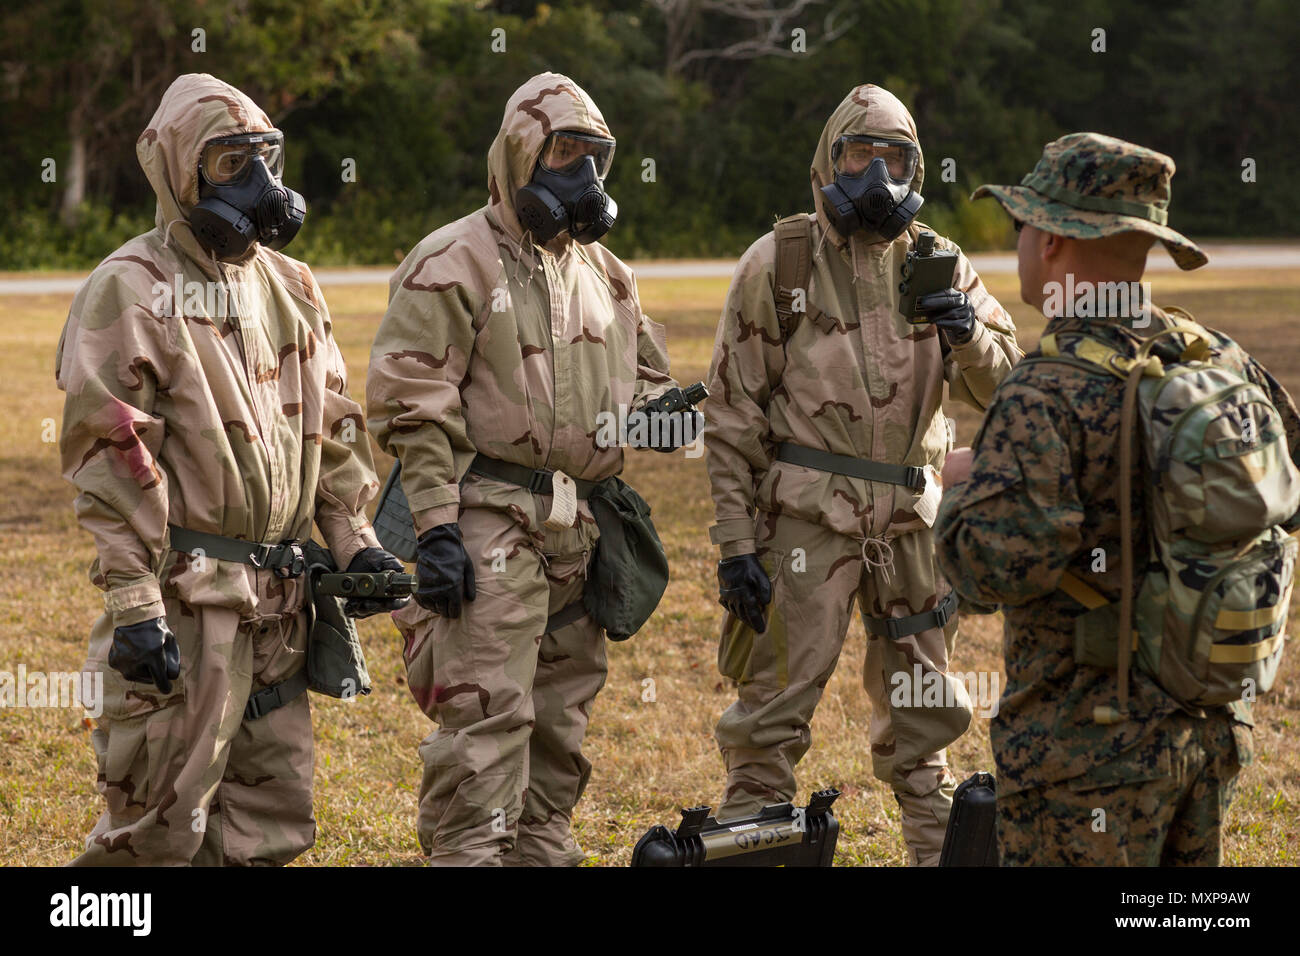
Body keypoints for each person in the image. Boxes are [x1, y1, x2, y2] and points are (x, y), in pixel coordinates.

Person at [56, 73, 402, 866]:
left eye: (263, 157)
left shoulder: (293, 285)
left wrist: (356, 543)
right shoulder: (131, 287)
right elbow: (109, 461)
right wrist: (136, 604)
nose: (256, 182)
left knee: (270, 823)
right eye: (226, 162)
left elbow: (336, 423)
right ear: (178, 171)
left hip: (281, 608)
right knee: (156, 832)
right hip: (185, 605)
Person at [935, 132, 1300, 865]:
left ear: (1057, 243)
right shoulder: (1215, 357)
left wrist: (960, 492)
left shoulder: (1044, 388)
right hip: (1211, 730)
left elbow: (989, 571)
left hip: (1085, 752)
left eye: (1024, 225)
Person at [367, 72, 691, 866]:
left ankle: (543, 850)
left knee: (559, 724)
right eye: (563, 154)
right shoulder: (452, 259)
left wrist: (670, 413)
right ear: (520, 158)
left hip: (577, 532)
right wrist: (437, 530)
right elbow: (411, 404)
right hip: (485, 523)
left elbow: (646, 386)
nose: (581, 177)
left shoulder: (608, 276)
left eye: (595, 159)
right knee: (485, 721)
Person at [702, 83, 1021, 865]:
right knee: (770, 721)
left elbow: (1006, 390)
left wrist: (968, 332)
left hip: (912, 524)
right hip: (807, 525)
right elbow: (733, 416)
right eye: (858, 155)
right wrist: (737, 545)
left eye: (895, 159)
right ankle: (756, 847)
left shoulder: (939, 262)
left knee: (926, 730)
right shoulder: (780, 262)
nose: (876, 177)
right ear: (827, 162)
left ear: (917, 167)